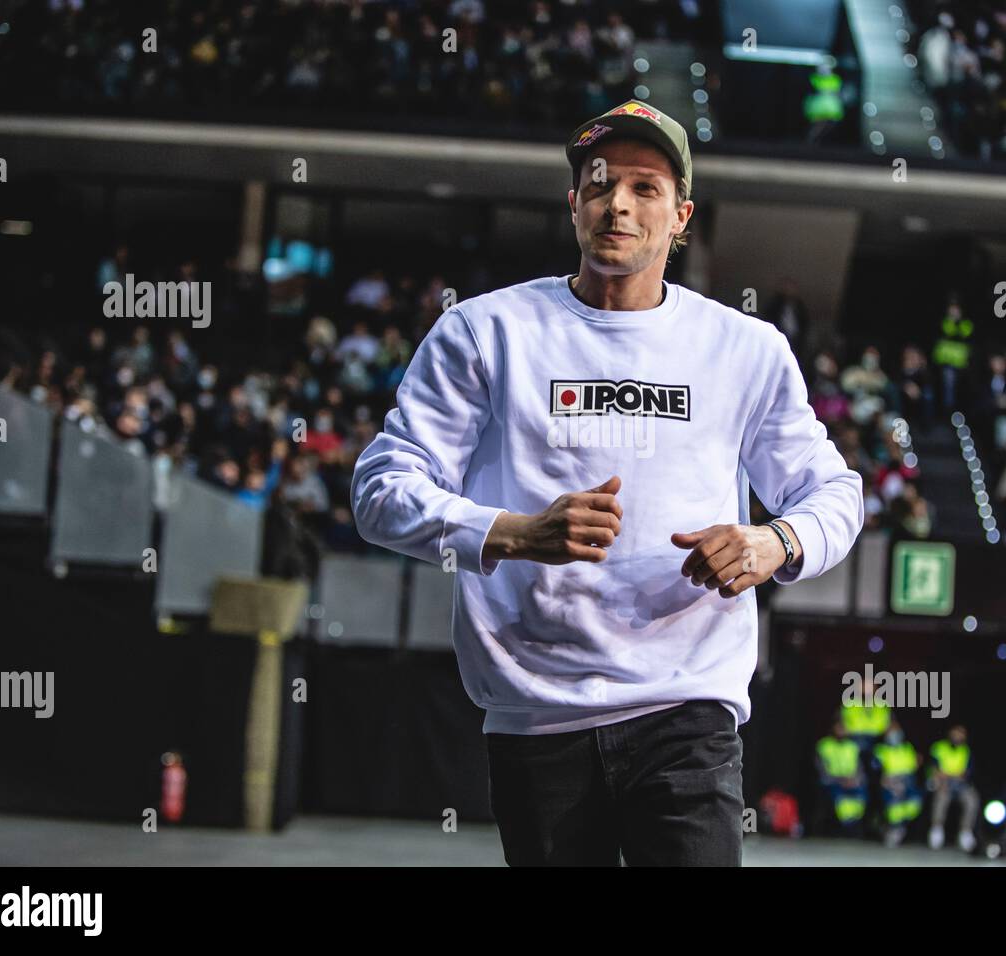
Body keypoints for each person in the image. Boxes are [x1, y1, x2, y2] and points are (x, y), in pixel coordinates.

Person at [351, 99, 864, 866]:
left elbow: (836, 492)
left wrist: (776, 541)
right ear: (574, 205)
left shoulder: (744, 349)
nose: (617, 203)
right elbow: (381, 490)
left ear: (681, 215)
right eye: (598, 184)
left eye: (644, 187)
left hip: (686, 710)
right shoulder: (486, 333)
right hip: (538, 712)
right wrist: (514, 532)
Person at [928, 723, 979, 852]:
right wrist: (945, 777)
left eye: (961, 733)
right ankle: (936, 830)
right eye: (956, 732)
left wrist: (952, 776)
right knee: (941, 796)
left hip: (960, 784)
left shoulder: (966, 751)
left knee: (972, 799)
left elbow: (966, 773)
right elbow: (935, 769)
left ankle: (965, 832)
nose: (958, 736)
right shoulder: (939, 747)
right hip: (941, 782)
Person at [873, 719, 922, 846]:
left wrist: (918, 762)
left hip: (907, 783)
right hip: (889, 784)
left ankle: (899, 828)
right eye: (891, 731)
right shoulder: (881, 749)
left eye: (896, 731)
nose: (894, 734)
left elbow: (913, 768)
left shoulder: (907, 748)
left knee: (914, 804)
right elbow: (876, 770)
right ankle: (893, 830)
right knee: (895, 808)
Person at [816, 717, 866, 836]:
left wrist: (855, 780)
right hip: (832, 782)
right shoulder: (824, 745)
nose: (841, 731)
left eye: (844, 728)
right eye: (839, 728)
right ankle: (844, 827)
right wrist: (839, 780)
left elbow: (859, 768)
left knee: (861, 794)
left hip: (851, 781)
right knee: (839, 798)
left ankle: (853, 826)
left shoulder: (853, 747)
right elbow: (821, 769)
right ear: (833, 728)